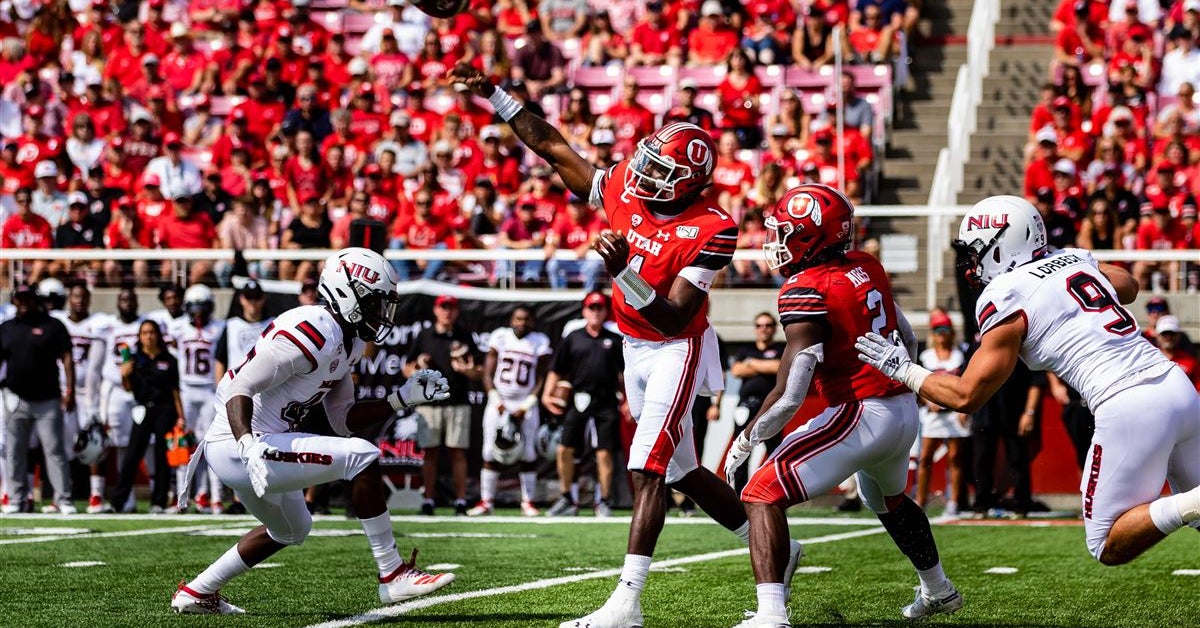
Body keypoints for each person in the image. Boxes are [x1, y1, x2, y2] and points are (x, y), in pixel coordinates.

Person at [449, 63, 783, 628]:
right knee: (681, 472)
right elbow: (556, 149)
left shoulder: (713, 227)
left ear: (687, 183)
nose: (643, 174)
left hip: (677, 346)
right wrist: (497, 97)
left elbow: (675, 312)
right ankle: (773, 546)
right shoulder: (631, 182)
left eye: (658, 170)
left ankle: (625, 606)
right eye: (647, 162)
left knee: (646, 468)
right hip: (634, 345)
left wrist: (626, 270)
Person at [856, 195, 1200, 568]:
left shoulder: (1005, 294)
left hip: (1128, 403)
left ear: (1004, 246)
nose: (972, 261)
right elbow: (1129, 285)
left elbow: (966, 395)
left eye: (977, 250)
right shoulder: (1071, 258)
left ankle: (1192, 501)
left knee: (1106, 543)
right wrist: (1068, 264)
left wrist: (903, 368)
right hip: (1176, 386)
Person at [724, 184, 960, 627]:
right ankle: (939, 589)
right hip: (901, 408)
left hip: (860, 410)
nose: (778, 242)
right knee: (886, 498)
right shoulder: (866, 265)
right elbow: (905, 335)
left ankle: (771, 615)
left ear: (813, 236)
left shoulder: (805, 287)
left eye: (787, 233)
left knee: (760, 493)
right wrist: (902, 382)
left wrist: (747, 438)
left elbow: (793, 390)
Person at [171, 248, 455, 614]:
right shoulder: (312, 329)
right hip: (240, 444)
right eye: (374, 303)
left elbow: (343, 419)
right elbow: (239, 387)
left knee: (293, 529)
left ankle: (197, 592)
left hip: (257, 444)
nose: (381, 314)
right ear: (348, 294)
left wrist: (400, 399)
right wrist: (247, 445)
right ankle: (392, 573)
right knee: (363, 456)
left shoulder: (348, 340)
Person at [543, 291, 625, 517]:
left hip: (606, 400)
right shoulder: (573, 337)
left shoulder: (615, 340)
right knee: (564, 449)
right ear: (584, 310)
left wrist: (627, 399)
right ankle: (567, 497)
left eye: (599, 308)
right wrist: (546, 394)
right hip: (577, 398)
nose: (595, 312)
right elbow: (556, 369)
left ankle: (604, 500)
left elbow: (624, 375)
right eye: (592, 307)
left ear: (606, 311)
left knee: (604, 453)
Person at [468, 306, 553, 517]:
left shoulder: (539, 341)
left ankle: (528, 502)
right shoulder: (500, 336)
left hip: (525, 403)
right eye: (518, 318)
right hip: (500, 402)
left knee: (528, 453)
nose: (521, 323)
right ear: (511, 320)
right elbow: (488, 373)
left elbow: (542, 376)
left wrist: (529, 403)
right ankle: (486, 501)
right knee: (490, 451)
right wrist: (495, 398)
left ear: (532, 321)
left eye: (526, 319)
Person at [0, 284, 75, 514]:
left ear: (35, 300)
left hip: (48, 398)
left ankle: (62, 498)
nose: (23, 302)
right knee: (14, 449)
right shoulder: (6, 328)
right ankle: (16, 498)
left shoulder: (51, 325)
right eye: (19, 298)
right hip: (16, 396)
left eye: (27, 298)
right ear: (14, 301)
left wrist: (70, 389)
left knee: (54, 449)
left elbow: (67, 358)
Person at [404, 295, 482, 516]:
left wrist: (465, 370)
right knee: (430, 452)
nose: (447, 312)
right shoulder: (424, 335)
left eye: (451, 308)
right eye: (443, 307)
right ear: (436, 310)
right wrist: (416, 372)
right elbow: (407, 368)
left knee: (458, 452)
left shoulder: (465, 335)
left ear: (456, 311)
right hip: (429, 402)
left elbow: (479, 371)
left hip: (457, 401)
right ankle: (428, 499)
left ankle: (460, 500)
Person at [109, 319, 183, 514]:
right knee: (133, 455)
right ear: (139, 337)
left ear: (158, 335)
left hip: (165, 409)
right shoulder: (134, 359)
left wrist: (181, 416)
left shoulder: (169, 359)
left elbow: (175, 390)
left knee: (162, 457)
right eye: (144, 333)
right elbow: (128, 388)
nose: (148, 336)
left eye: (152, 332)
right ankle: (118, 502)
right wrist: (124, 375)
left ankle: (158, 501)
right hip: (142, 408)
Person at [168, 285, 226, 513]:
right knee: (183, 445)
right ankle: (183, 496)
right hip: (186, 390)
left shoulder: (219, 328)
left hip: (210, 390)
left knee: (209, 445)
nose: (198, 313)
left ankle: (213, 497)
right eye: (194, 308)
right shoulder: (178, 328)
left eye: (203, 308)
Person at [55, 283, 109, 513]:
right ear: (69, 298)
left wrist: (94, 399)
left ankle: (96, 495)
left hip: (88, 393)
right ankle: (62, 495)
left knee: (94, 443)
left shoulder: (97, 324)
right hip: (63, 391)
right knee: (61, 446)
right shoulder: (58, 322)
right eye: (75, 296)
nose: (79, 301)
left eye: (84, 297)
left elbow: (97, 367)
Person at [89, 286, 143, 513]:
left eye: (131, 300)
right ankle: (100, 495)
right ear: (117, 303)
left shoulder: (146, 324)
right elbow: (96, 365)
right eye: (123, 300)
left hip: (139, 390)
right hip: (114, 391)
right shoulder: (107, 326)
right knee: (112, 442)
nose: (127, 304)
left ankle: (130, 495)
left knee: (137, 445)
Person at [913, 309, 970, 515]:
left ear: (952, 332)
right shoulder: (926, 356)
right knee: (925, 458)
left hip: (954, 413)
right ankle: (920, 500)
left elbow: (966, 382)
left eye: (945, 329)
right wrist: (929, 401)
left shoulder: (959, 355)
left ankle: (954, 501)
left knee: (955, 458)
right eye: (937, 330)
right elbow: (918, 383)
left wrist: (965, 408)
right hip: (933, 415)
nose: (941, 334)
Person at [726, 312, 785, 492]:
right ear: (755, 329)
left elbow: (779, 367)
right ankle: (740, 495)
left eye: (767, 325)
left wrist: (751, 364)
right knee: (742, 450)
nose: (763, 329)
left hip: (772, 408)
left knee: (775, 452)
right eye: (759, 325)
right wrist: (765, 366)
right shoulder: (745, 349)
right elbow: (736, 370)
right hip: (746, 406)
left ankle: (773, 492)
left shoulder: (782, 348)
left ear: (774, 328)